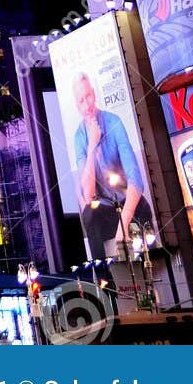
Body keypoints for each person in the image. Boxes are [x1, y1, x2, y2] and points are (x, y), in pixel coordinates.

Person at [70, 71, 154, 259]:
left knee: (144, 210)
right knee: (89, 214)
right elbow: (89, 195)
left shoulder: (114, 122)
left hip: (128, 203)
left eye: (88, 96)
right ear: (77, 107)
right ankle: (105, 281)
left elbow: (136, 182)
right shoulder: (79, 137)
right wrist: (92, 145)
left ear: (94, 94)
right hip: (107, 208)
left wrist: (121, 233)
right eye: (81, 101)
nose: (87, 105)